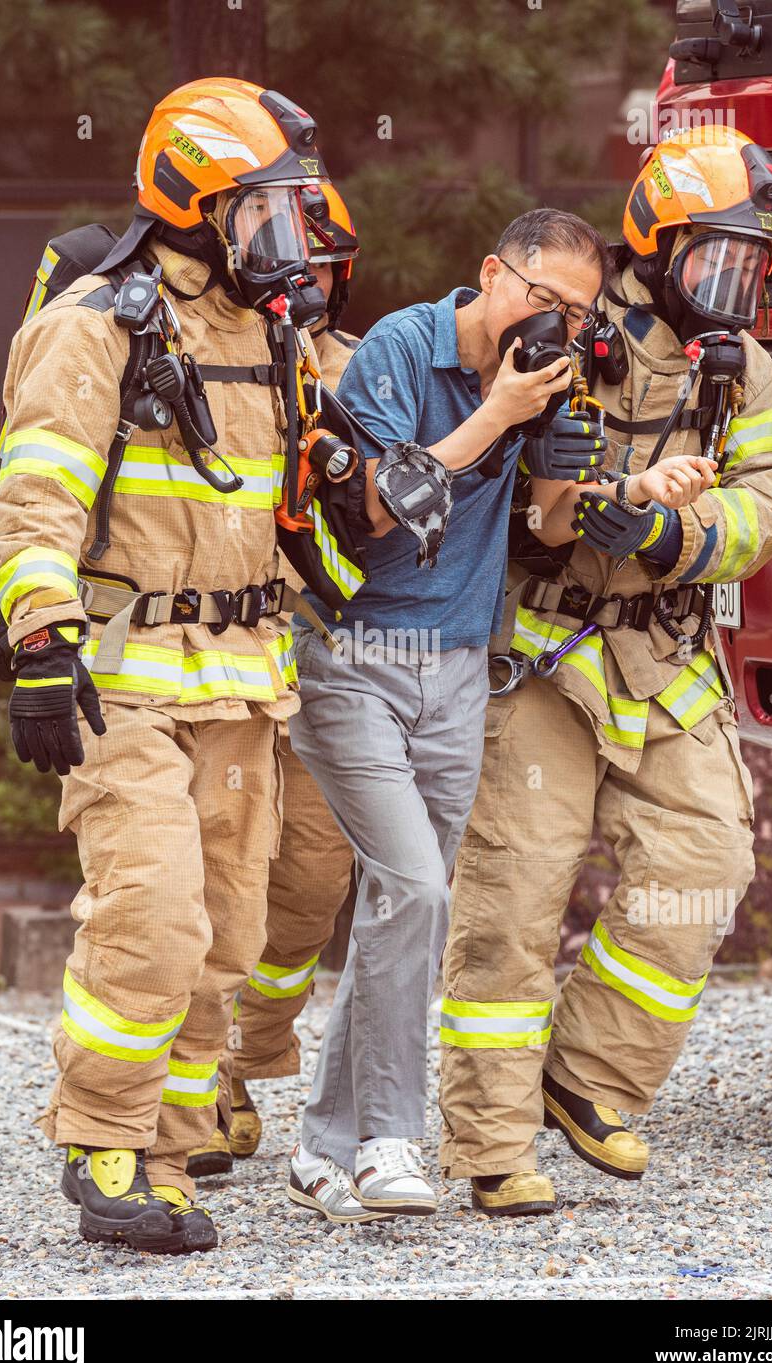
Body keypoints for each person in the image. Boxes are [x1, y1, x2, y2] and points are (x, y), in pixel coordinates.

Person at [0, 77, 334, 1254]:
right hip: (118, 679)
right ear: (194, 202)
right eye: (265, 213)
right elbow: (33, 501)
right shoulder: (97, 323)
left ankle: (169, 1151)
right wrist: (38, 644)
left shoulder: (272, 337)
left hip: (240, 679)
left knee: (227, 936)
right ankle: (100, 1139)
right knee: (153, 915)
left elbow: (292, 508)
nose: (288, 242)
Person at [439, 126, 772, 1216]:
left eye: (751, 263)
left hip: (662, 651)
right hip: (546, 654)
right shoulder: (562, 331)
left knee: (704, 867)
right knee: (515, 894)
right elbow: (478, 460)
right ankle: (493, 1143)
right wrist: (565, 504)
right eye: (716, 257)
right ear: (655, 243)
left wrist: (679, 537)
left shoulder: (743, 371)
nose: (732, 285)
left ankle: (584, 1078)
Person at [283, 208, 612, 1221]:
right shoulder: (398, 348)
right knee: (418, 888)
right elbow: (379, 508)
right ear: (490, 275)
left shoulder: (544, 375)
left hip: (459, 671)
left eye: (576, 312)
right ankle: (389, 1137)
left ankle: (319, 1145)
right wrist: (498, 413)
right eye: (540, 297)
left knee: (399, 902)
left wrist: (628, 481)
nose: (552, 321)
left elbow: (554, 521)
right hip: (356, 658)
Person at [186, 183, 360, 1185]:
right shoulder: (222, 356)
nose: (308, 279)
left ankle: (250, 1059)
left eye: (327, 265)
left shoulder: (354, 370)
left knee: (308, 885)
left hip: (331, 674)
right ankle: (201, 1076)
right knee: (222, 881)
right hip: (230, 672)